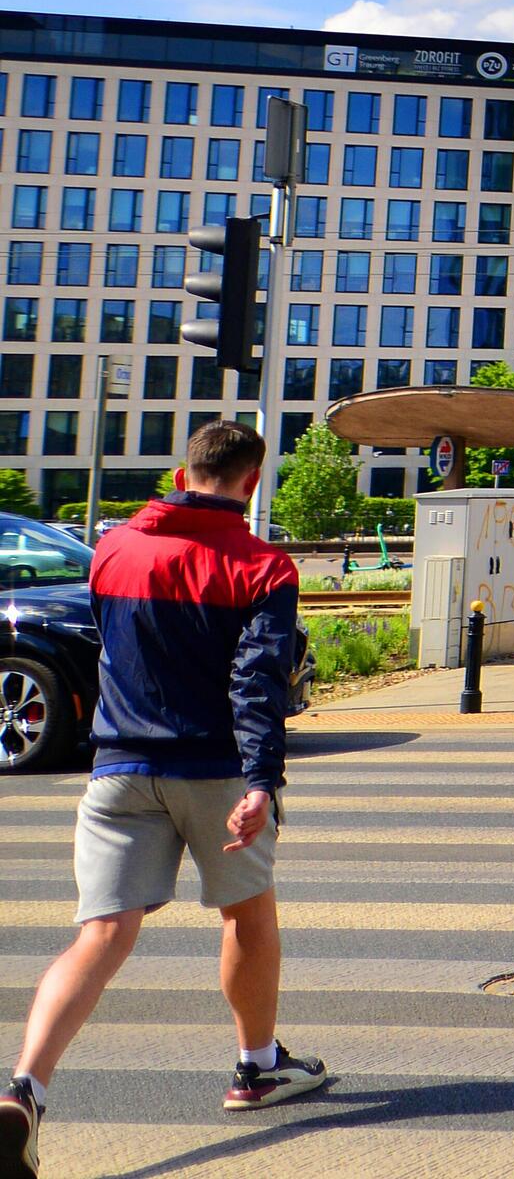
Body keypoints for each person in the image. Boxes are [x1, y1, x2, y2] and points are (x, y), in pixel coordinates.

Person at [5, 422, 327, 1177]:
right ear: (250, 481)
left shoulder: (115, 548)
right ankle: (256, 1068)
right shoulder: (262, 566)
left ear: (185, 471)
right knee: (247, 914)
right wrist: (261, 781)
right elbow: (256, 683)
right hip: (213, 767)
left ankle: (24, 1089)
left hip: (117, 764)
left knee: (100, 935)